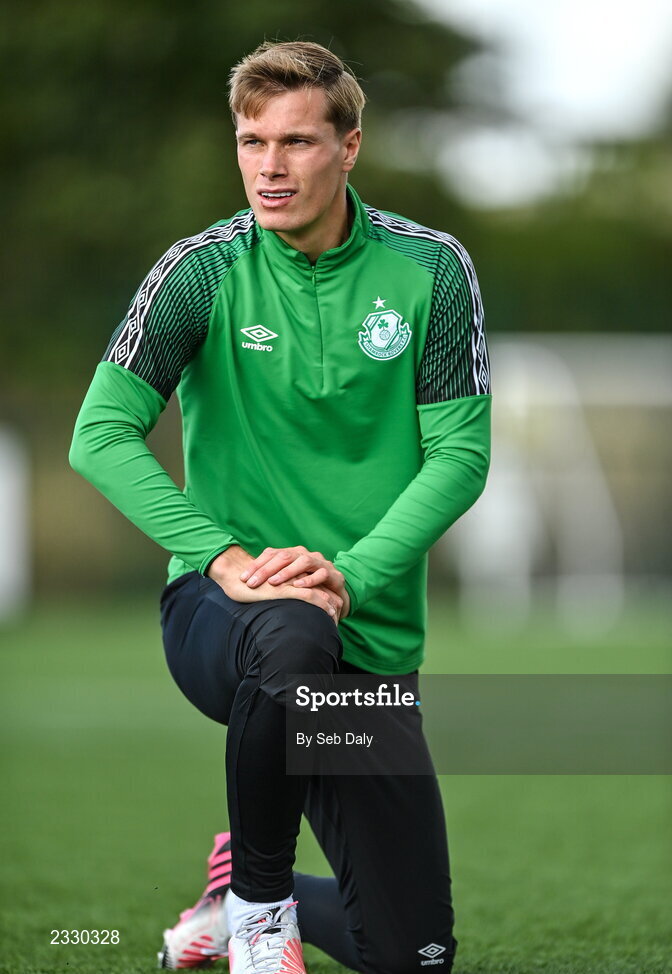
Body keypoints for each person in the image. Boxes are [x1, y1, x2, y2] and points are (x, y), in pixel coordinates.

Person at [69, 39, 491, 974]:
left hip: (367, 638)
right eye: (251, 139)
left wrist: (353, 573)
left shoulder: (432, 271)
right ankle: (263, 913)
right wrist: (219, 556)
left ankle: (235, 897)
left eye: (296, 141)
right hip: (224, 616)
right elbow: (97, 436)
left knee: (413, 955)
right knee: (289, 628)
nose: (269, 164)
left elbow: (460, 457)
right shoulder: (201, 271)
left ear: (349, 147)